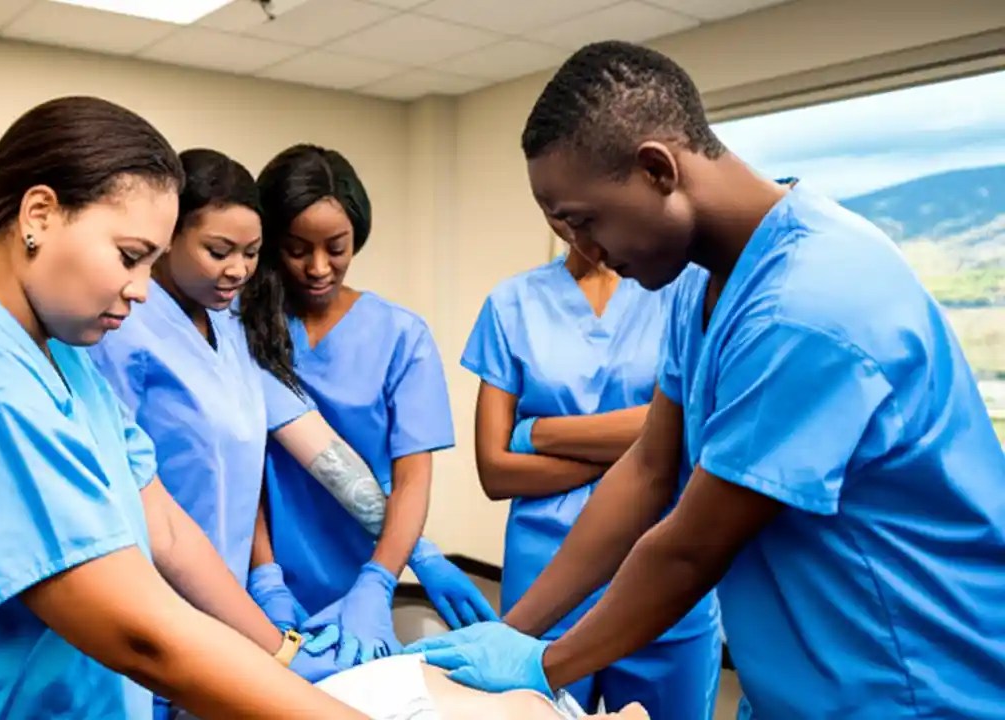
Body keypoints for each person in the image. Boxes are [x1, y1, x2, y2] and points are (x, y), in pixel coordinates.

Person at [408, 41, 1005, 719]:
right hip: (800, 681)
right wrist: (515, 628)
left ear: (658, 168)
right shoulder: (705, 288)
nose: (586, 251)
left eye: (584, 221)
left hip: (912, 685)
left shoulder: (807, 304)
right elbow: (648, 469)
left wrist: (545, 663)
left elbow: (692, 547)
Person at [0, 96, 369, 720]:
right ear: (40, 214)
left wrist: (279, 652)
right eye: (130, 256)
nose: (140, 289)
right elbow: (140, 634)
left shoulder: (61, 355)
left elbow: (162, 525)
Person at [86, 148, 486, 716]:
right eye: (220, 251)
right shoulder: (147, 326)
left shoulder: (230, 328)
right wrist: (268, 581)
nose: (317, 266)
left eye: (248, 253)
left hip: (262, 594)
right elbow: (161, 502)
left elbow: (320, 451)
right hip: (179, 591)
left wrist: (404, 563)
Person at [460, 210, 721, 719]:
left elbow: (693, 425)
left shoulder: (682, 290)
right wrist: (644, 449)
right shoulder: (512, 304)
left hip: (661, 574)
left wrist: (537, 432)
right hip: (543, 572)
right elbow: (495, 470)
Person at [246, 144, 498, 659]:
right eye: (297, 249)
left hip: (365, 574)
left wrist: (382, 577)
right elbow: (243, 470)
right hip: (256, 580)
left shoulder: (400, 336)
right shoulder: (243, 331)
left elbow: (412, 479)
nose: (319, 267)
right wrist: (264, 576)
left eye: (336, 247)